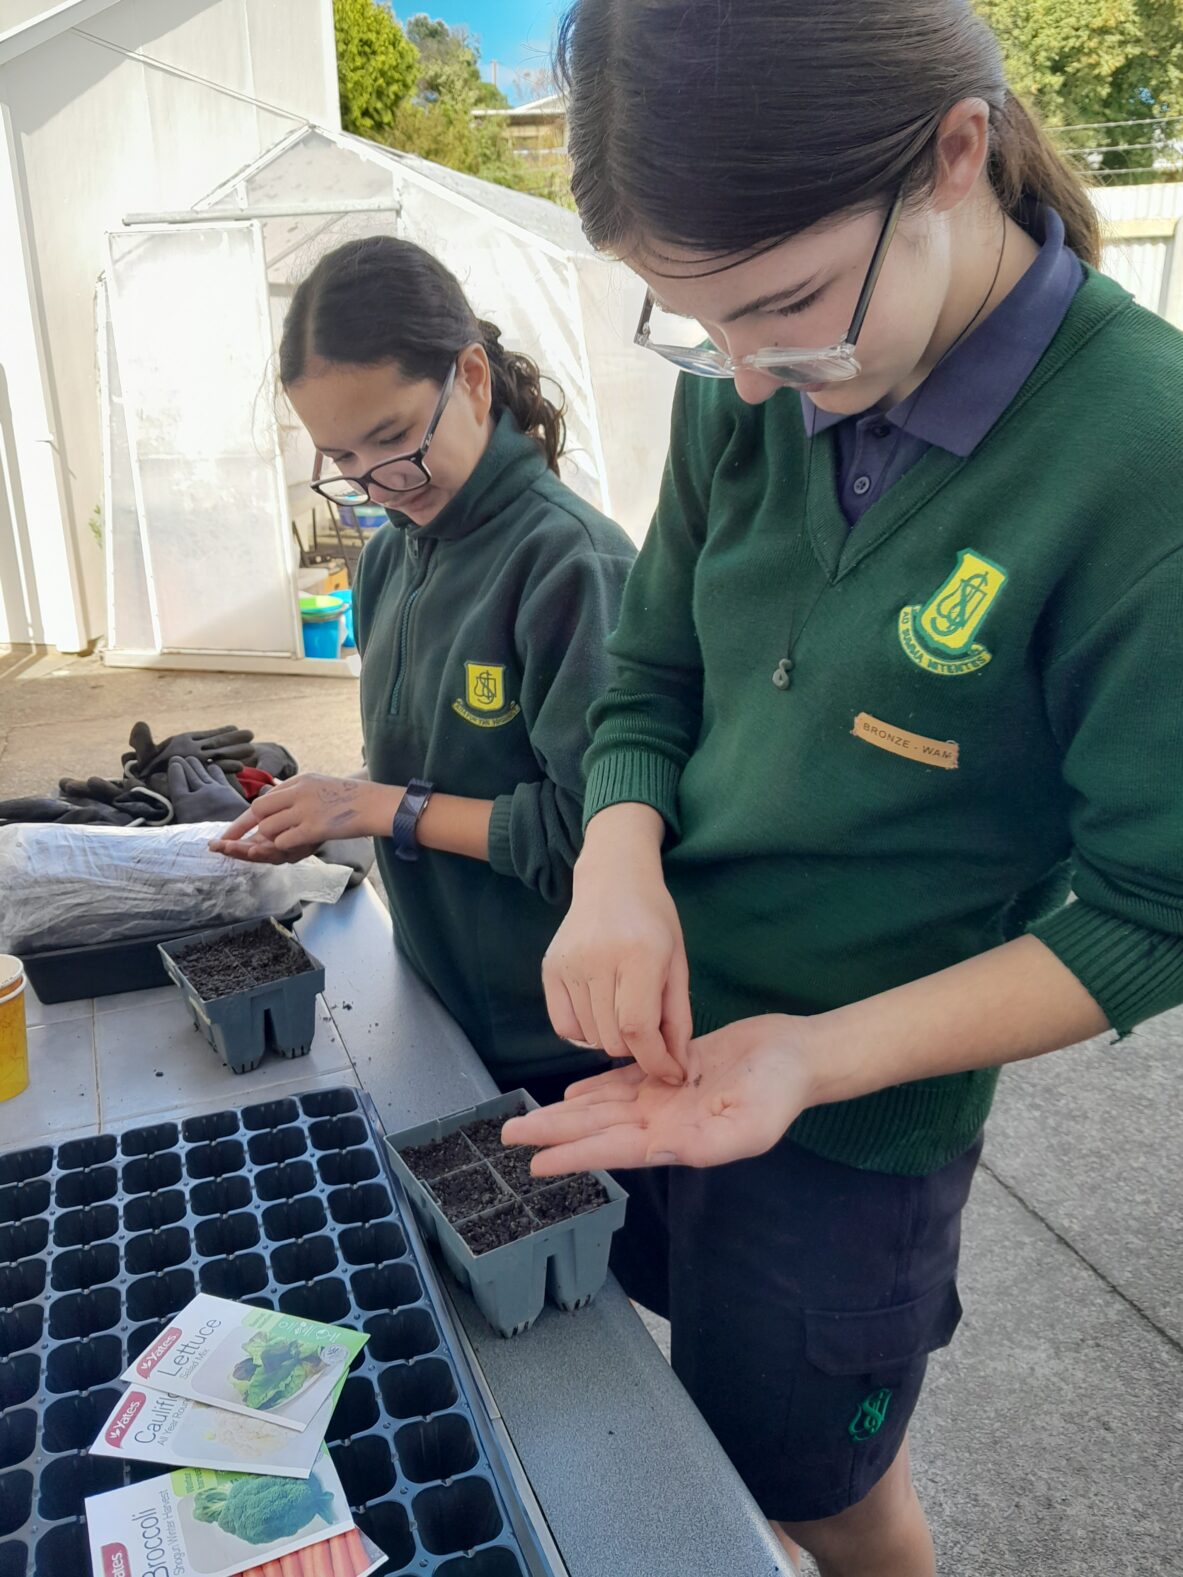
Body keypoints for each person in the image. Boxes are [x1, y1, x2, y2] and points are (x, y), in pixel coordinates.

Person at [502, 3, 1183, 1574]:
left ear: (954, 152)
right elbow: (650, 674)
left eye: (782, 307)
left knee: (820, 1496)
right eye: (696, 327)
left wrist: (811, 1057)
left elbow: (1150, 914)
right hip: (666, 1050)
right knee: (685, 1413)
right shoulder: (747, 388)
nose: (746, 383)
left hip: (857, 1121)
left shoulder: (1136, 457)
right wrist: (616, 861)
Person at [212, 235, 635, 1101]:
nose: (379, 484)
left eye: (394, 436)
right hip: (435, 1001)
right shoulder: (386, 559)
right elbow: (433, 769)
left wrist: (374, 806)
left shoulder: (571, 564)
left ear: (471, 378)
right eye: (343, 460)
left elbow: (590, 838)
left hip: (566, 1044)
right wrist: (330, 806)